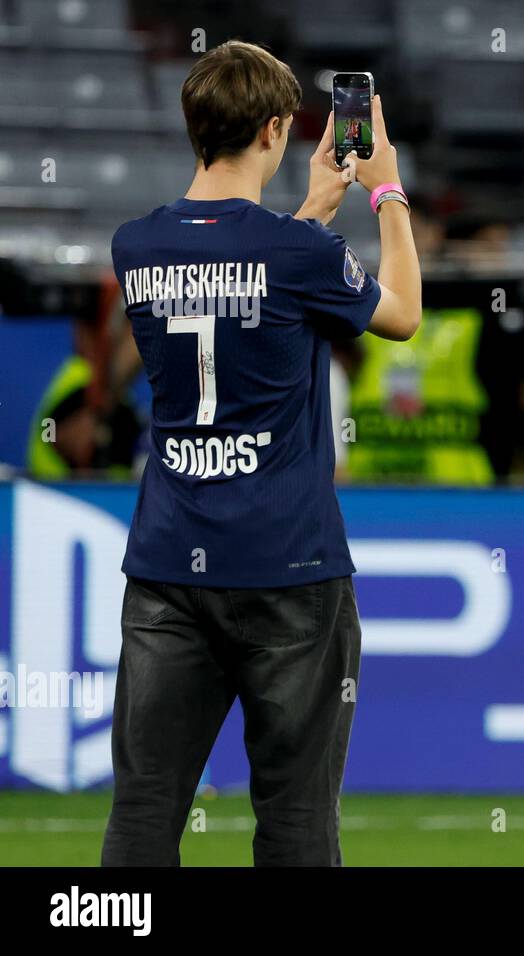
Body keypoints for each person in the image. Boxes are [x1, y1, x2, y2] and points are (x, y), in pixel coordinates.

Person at [100, 40, 421, 866]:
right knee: (295, 819)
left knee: (142, 814)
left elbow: (234, 284)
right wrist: (384, 188)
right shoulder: (295, 254)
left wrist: (310, 212)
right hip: (291, 569)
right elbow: (402, 314)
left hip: (171, 566)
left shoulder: (134, 246)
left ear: (194, 126)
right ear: (278, 130)